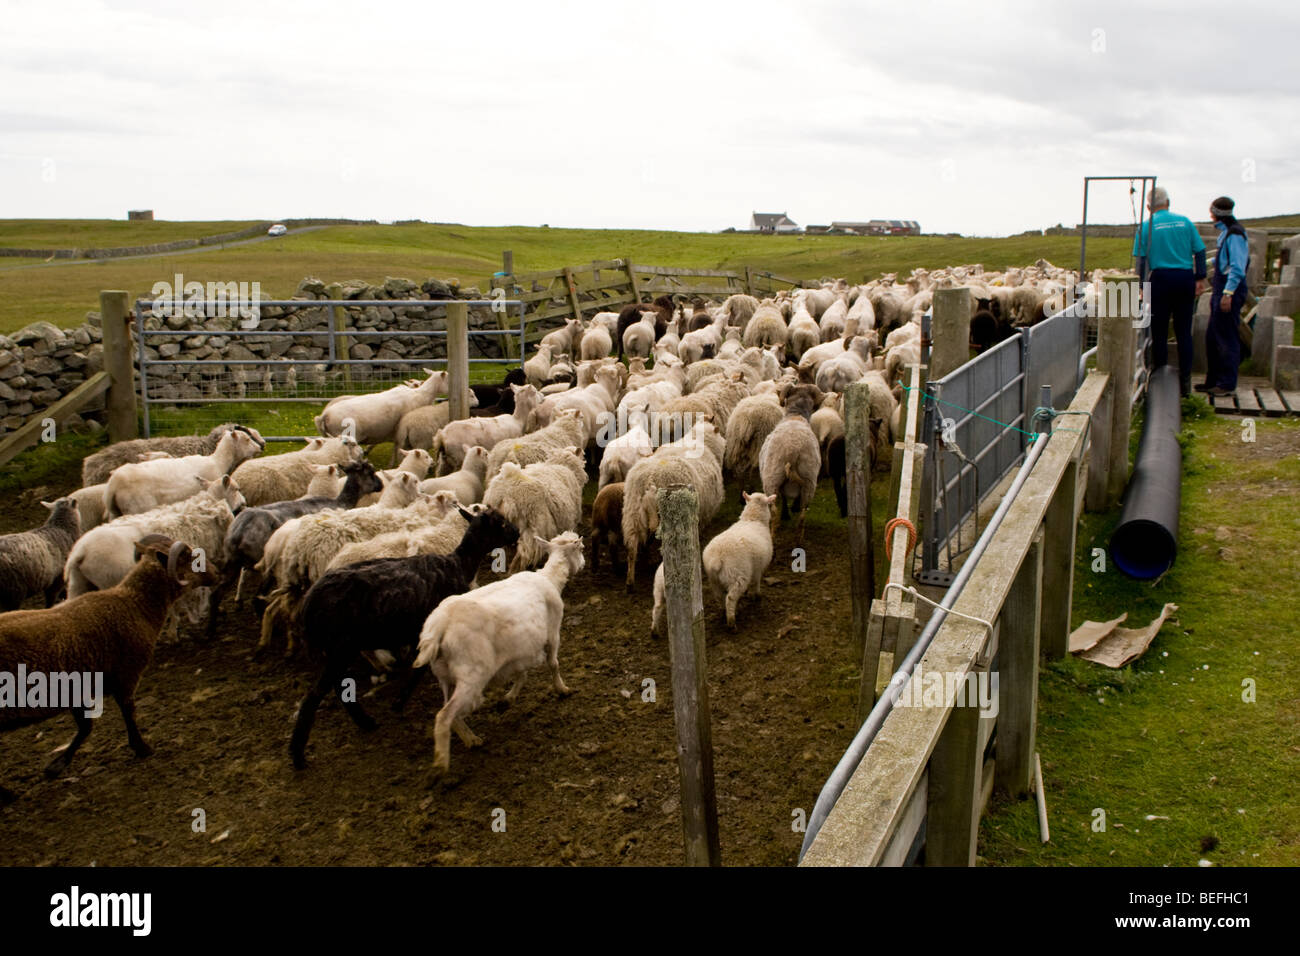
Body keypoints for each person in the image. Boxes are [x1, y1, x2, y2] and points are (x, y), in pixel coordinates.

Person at [1132, 186, 1206, 397]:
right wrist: (1200, 278)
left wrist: (1140, 288)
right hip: (1184, 279)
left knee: (1159, 332)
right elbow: (1200, 251)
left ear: (1148, 207)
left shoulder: (1145, 227)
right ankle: (1185, 384)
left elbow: (1141, 261)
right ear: (1169, 202)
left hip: (1160, 280)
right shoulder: (1185, 221)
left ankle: (1161, 379)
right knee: (1184, 332)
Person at [1197, 196, 1250, 397]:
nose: (1210, 216)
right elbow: (1222, 258)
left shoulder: (1235, 234)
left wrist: (1228, 293)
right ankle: (1213, 381)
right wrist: (1205, 262)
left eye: (1212, 212)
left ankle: (1227, 383)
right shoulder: (1227, 233)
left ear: (1217, 213)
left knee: (1226, 336)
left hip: (1229, 289)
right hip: (1222, 287)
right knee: (1213, 336)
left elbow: (1236, 266)